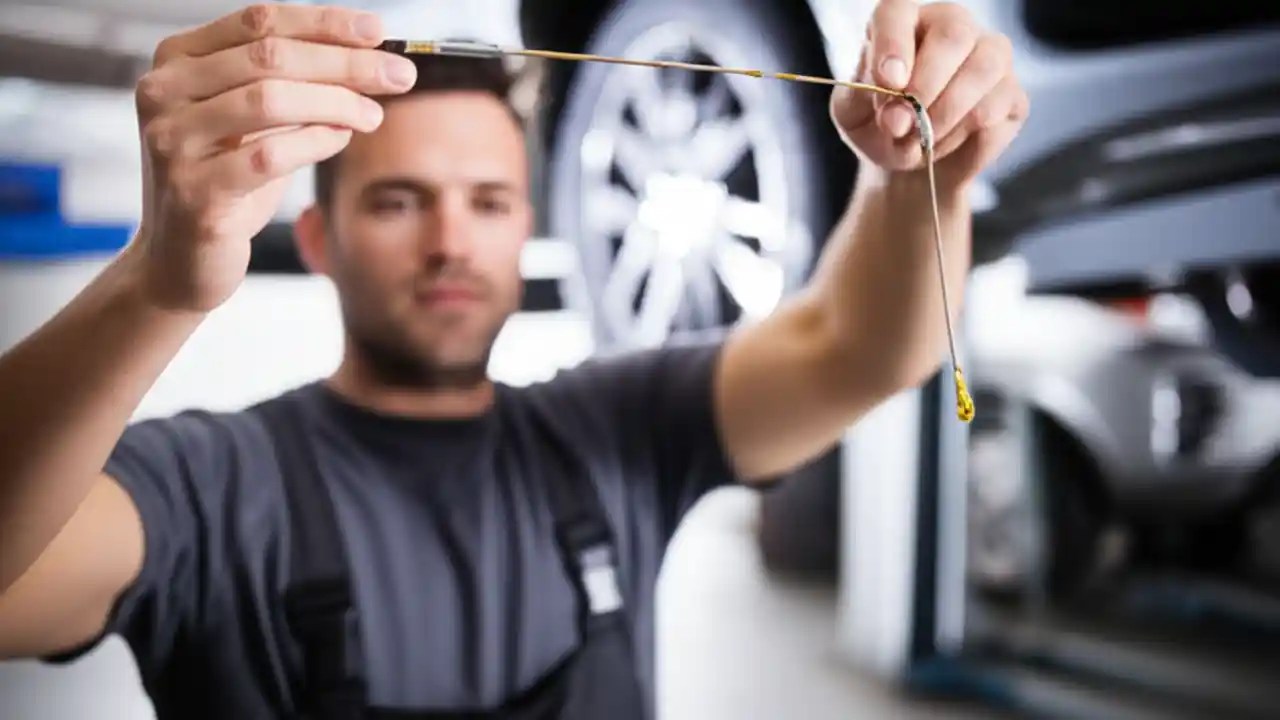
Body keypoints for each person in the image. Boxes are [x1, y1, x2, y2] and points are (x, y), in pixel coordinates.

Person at [0, 1, 1027, 718]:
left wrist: (922, 181)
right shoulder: (208, 488)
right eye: (400, 201)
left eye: (487, 202)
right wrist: (154, 286)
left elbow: (856, 350)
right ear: (319, 239)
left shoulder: (618, 430)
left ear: (526, 223)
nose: (452, 242)